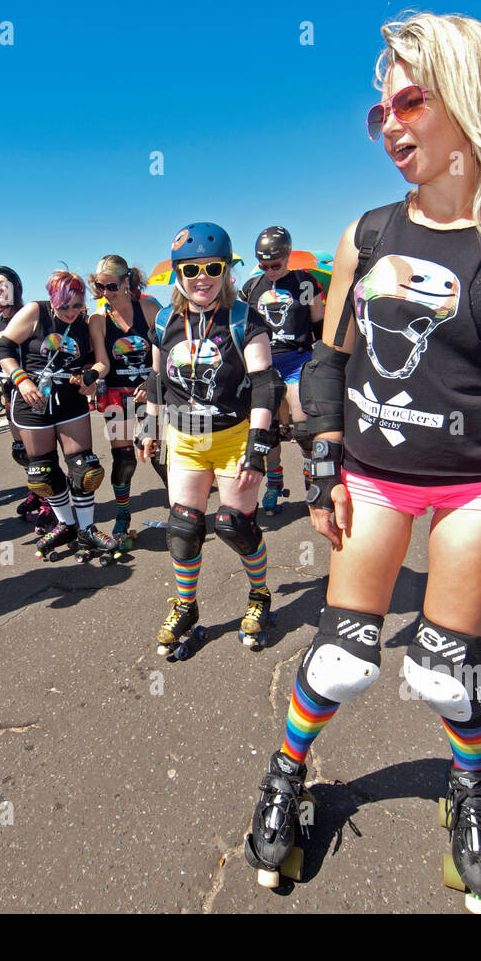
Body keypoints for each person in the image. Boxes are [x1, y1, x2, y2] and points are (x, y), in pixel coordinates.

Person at [241, 13, 481, 910]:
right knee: (339, 660)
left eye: (410, 101)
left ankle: (472, 787)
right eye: (380, 113)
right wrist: (322, 464)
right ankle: (287, 773)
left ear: (471, 101)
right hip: (371, 469)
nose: (391, 126)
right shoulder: (363, 236)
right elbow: (327, 363)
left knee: (448, 664)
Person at [136, 222, 279, 650]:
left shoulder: (242, 317)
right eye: (192, 269)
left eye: (213, 268)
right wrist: (147, 428)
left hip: (234, 435)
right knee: (182, 527)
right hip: (186, 437)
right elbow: (158, 380)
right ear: (178, 273)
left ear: (226, 271)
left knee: (235, 526)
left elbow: (266, 384)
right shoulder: (165, 320)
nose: (203, 277)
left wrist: (258, 449)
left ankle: (259, 595)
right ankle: (186, 605)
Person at [0, 270, 116, 558]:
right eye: (64, 307)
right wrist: (20, 379)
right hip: (32, 400)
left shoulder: (86, 323)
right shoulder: (36, 312)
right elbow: (2, 347)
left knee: (85, 469)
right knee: (43, 473)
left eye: (77, 305)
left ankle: (87, 529)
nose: (71, 312)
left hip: (70, 399)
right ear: (52, 301)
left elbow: (101, 363)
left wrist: (91, 377)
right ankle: (66, 524)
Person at [238, 226, 326, 514]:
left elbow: (319, 326)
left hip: (298, 361)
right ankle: (274, 484)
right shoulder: (251, 288)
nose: (270, 271)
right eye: (263, 265)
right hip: (264, 365)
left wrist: (327, 362)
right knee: (270, 432)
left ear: (288, 255)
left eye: (275, 265)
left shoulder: (304, 282)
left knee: (304, 431)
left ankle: (313, 484)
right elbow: (241, 332)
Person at [87, 254, 162, 545]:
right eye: (100, 286)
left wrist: (152, 381)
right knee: (124, 459)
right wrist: (91, 376)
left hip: (150, 391)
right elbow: (103, 363)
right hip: (117, 397)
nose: (106, 292)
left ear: (127, 281)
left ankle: (184, 508)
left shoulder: (148, 307)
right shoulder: (98, 319)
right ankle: (122, 513)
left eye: (112, 286)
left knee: (158, 451)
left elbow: (166, 349)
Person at [0, 267, 43, 524]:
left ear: (16, 287)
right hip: (8, 395)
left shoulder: (26, 316)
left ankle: (49, 498)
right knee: (21, 451)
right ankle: (36, 490)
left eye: (4, 284)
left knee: (39, 453)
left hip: (29, 391)